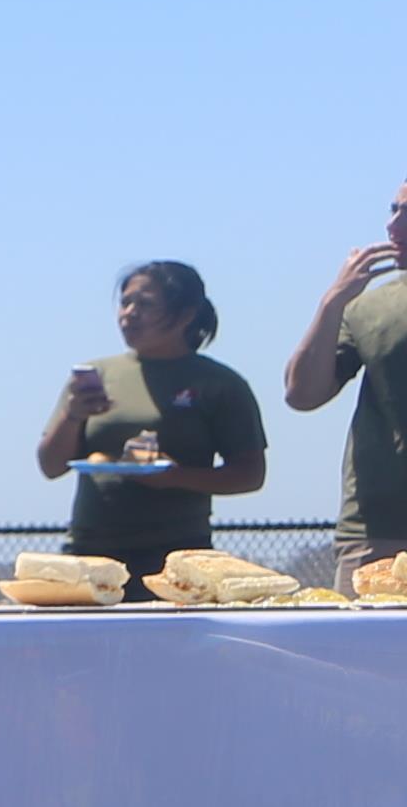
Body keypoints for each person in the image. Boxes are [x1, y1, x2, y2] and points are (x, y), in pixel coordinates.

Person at [38, 258, 265, 565]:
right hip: (89, 549)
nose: (129, 314)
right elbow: (51, 466)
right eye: (125, 303)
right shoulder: (98, 375)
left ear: (186, 315)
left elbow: (250, 475)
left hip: (178, 553)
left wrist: (175, 477)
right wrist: (73, 415)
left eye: (144, 304)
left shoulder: (219, 383)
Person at [283, 182, 407, 577]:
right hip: (377, 531)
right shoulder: (367, 306)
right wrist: (333, 300)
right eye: (393, 210)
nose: (393, 225)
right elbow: (303, 394)